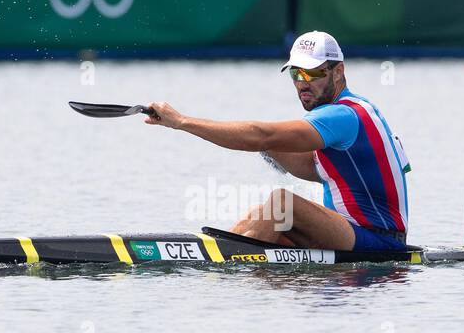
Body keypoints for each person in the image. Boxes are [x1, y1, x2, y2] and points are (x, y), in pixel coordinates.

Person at [145, 30, 410, 251]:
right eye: (296, 74)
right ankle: (216, 251)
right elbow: (309, 167)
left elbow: (262, 135)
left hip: (380, 240)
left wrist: (180, 122)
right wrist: (265, 145)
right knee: (262, 215)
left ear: (338, 72)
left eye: (312, 74)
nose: (302, 83)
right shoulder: (358, 111)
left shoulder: (343, 115)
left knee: (282, 204)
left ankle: (219, 260)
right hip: (356, 234)